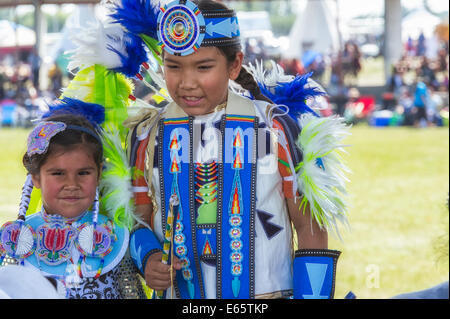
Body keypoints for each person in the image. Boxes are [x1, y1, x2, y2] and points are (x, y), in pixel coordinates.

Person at [111, 0, 349, 299]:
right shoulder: (146, 136)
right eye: (173, 67)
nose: (187, 82)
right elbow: (136, 219)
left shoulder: (275, 128)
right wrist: (147, 257)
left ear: (234, 64)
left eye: (203, 67)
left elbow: (309, 226)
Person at [0, 100, 144, 298]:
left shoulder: (116, 239)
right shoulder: (14, 243)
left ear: (99, 173)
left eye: (83, 173)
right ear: (35, 177)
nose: (72, 184)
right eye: (58, 173)